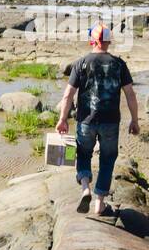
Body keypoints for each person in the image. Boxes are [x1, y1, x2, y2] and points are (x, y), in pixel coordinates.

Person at [56, 22, 139, 215]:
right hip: (110, 121)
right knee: (108, 158)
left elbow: (68, 94)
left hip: (86, 121)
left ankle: (85, 187)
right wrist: (134, 120)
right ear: (108, 41)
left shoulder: (81, 63)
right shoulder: (119, 64)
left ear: (91, 41)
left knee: (83, 154)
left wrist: (63, 118)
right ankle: (99, 203)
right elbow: (130, 94)